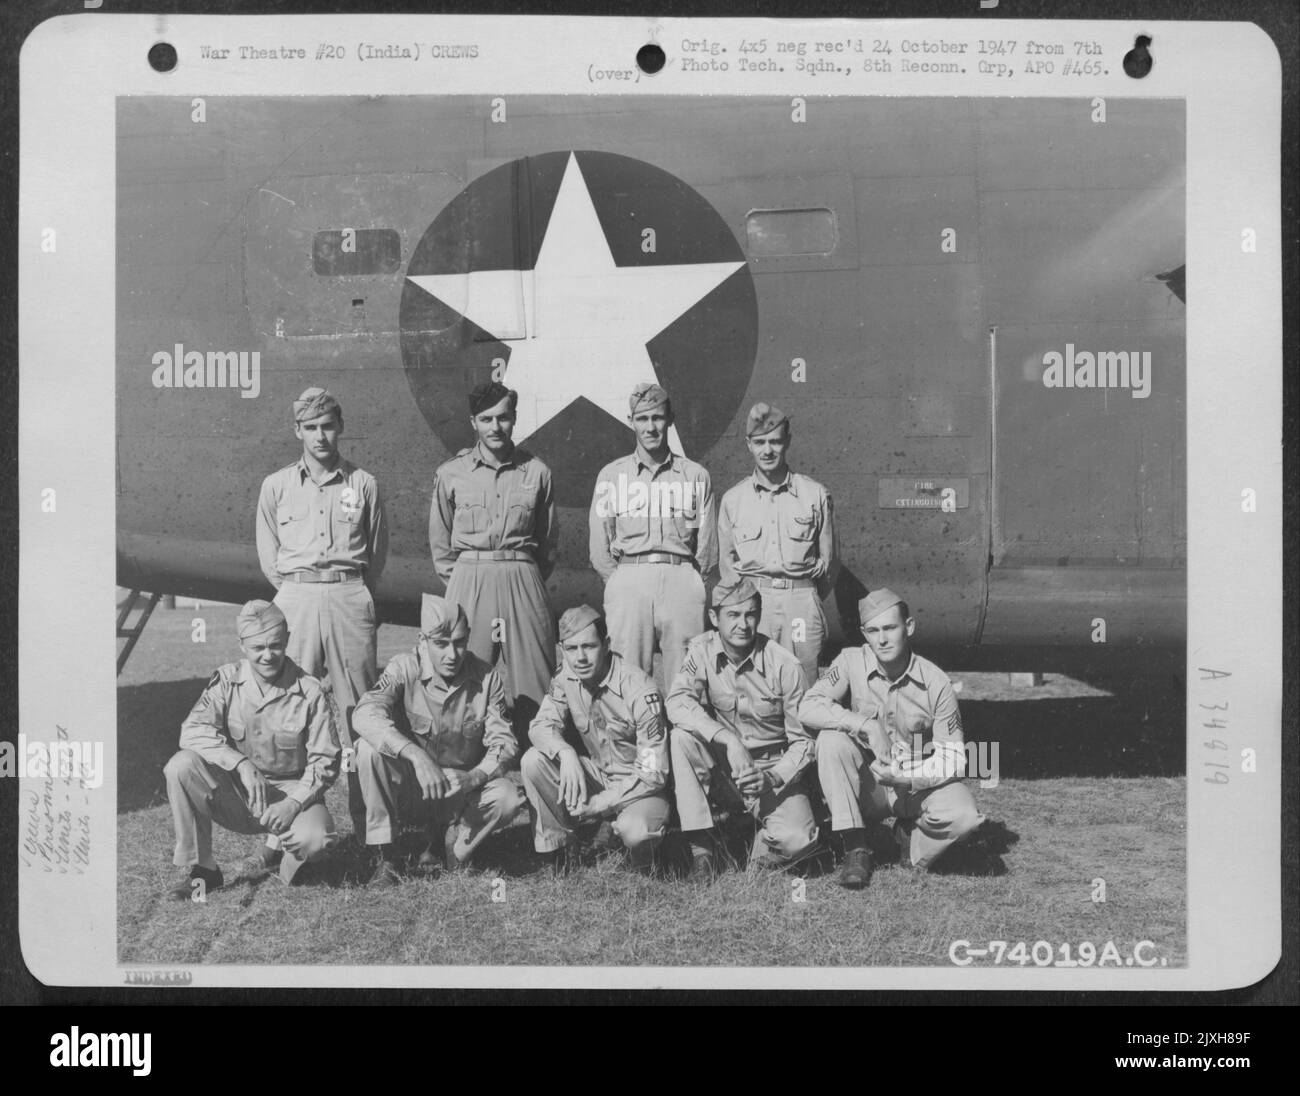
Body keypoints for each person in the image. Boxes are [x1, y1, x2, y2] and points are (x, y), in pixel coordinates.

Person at [255, 386, 388, 839]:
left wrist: (352, 593)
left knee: (362, 716)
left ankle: (373, 831)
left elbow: (379, 551)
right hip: (295, 598)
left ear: (340, 427)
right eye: (310, 428)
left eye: (327, 426)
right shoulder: (276, 486)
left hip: (349, 594)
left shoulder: (363, 483)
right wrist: (297, 592)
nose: (320, 437)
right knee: (289, 713)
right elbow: (268, 554)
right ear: (297, 431)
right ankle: (282, 831)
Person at [801, 587, 985, 889]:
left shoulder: (936, 682)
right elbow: (808, 706)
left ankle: (910, 846)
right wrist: (865, 726)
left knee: (964, 816)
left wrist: (906, 775)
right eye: (873, 631)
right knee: (830, 740)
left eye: (890, 628)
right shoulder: (850, 661)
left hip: (913, 787)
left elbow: (956, 759)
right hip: (869, 784)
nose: (882, 639)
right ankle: (855, 846)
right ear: (864, 633)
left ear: (908, 627)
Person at [163, 600, 341, 901]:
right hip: (237, 794)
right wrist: (241, 764)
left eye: (275, 645)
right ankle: (204, 871)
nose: (267, 655)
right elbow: (191, 731)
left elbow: (326, 760)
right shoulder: (227, 682)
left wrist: (293, 804)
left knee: (317, 840)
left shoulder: (309, 691)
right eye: (258, 647)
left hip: (287, 794)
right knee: (180, 766)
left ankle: (287, 857)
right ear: (242, 645)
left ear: (287, 640)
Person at [352, 595, 525, 886]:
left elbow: (504, 744)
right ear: (423, 640)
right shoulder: (403, 668)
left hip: (459, 791)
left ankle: (456, 849)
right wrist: (415, 755)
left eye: (459, 642)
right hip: (414, 790)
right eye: (441, 644)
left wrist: (475, 776)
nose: (452, 654)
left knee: (507, 796)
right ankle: (387, 857)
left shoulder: (487, 679)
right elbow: (364, 713)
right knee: (367, 749)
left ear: (468, 638)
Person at [667, 578, 822, 880]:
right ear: (714, 619)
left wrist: (773, 776)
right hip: (726, 767)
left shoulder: (785, 665)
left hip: (771, 771)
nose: (743, 624)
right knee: (681, 737)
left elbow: (805, 742)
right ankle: (703, 850)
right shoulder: (700, 651)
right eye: (733, 615)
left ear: (759, 615)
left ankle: (751, 846)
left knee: (799, 842)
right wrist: (726, 739)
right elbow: (676, 702)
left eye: (750, 614)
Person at [429, 381, 558, 735]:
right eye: (486, 419)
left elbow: (548, 544)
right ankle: (466, 764)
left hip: (522, 577)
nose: (495, 427)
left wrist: (523, 577)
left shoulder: (537, 472)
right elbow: (441, 545)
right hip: (470, 579)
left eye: (503, 418)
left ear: (514, 419)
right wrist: (463, 581)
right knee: (465, 675)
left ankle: (538, 764)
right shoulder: (450, 473)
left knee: (536, 679)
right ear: (473, 422)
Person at [520, 605, 672, 874]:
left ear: (606, 645)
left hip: (640, 787)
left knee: (635, 831)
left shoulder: (640, 691)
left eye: (588, 646)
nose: (580, 658)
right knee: (533, 761)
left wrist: (601, 803)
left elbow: (653, 773)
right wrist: (565, 752)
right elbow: (540, 726)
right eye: (570, 649)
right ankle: (556, 850)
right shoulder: (566, 677)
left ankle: (646, 860)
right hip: (599, 776)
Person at [589, 382, 717, 687]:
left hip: (681, 577)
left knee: (688, 679)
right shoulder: (612, 475)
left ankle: (685, 735)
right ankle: (636, 736)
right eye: (642, 419)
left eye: (657, 418)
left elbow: (708, 547)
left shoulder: (695, 475)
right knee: (627, 676)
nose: (651, 427)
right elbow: (599, 544)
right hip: (630, 578)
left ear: (670, 419)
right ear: (631, 420)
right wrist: (618, 582)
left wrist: (693, 582)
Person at [718, 403, 838, 684]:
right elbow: (726, 565)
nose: (767, 450)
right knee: (752, 684)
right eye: (759, 442)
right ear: (748, 444)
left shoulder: (814, 494)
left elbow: (830, 563)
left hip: (800, 604)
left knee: (802, 683)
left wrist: (804, 596)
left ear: (788, 442)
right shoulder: (733, 500)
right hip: (753, 604)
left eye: (775, 441)